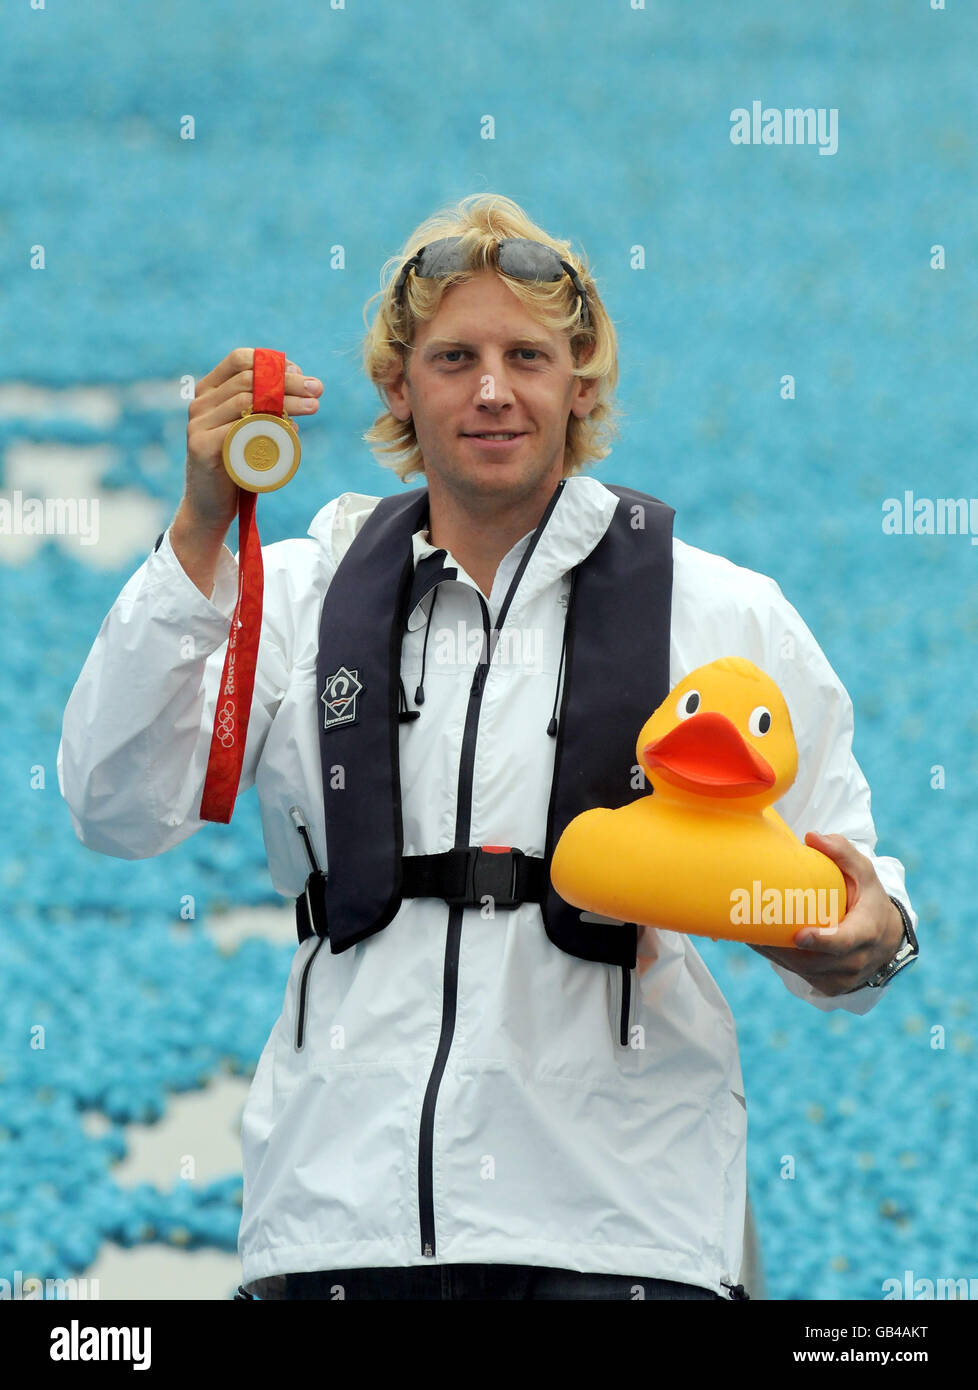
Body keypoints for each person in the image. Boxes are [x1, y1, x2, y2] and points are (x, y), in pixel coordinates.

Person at [58, 193, 917, 1302]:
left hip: (623, 1237)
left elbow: (857, 913)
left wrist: (866, 936)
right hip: (334, 1224)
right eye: (456, 357)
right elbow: (113, 806)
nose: (495, 390)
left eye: (529, 355)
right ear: (397, 388)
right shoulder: (300, 593)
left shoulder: (720, 613)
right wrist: (199, 532)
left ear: (583, 387)